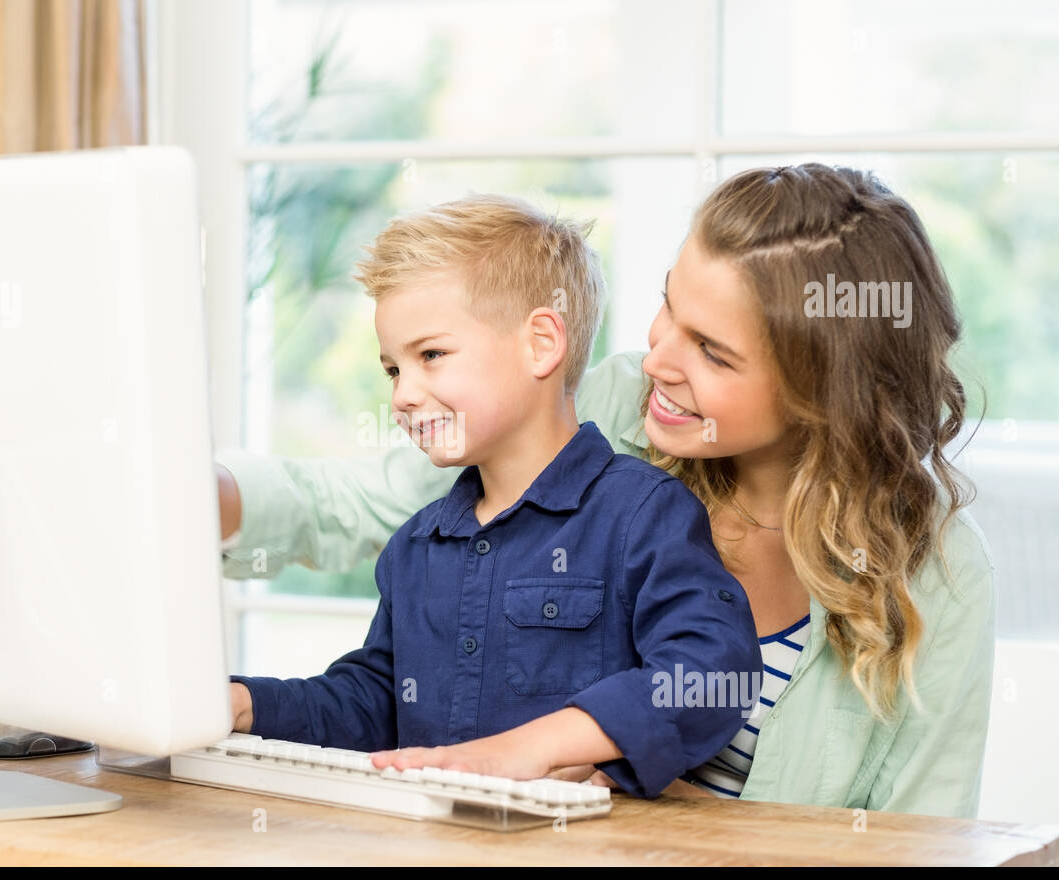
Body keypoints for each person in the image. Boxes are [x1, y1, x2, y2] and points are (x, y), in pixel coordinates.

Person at [218, 165, 997, 818]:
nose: (659, 357)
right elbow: (366, 519)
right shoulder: (604, 405)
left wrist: (598, 775)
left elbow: (932, 870)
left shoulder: (940, 576)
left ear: (824, 392)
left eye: (713, 353)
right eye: (668, 304)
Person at [227, 194, 762, 797]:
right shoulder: (416, 546)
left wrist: (529, 749)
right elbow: (374, 702)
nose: (403, 394)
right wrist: (245, 705)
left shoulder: (643, 514)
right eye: (393, 370)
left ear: (541, 344)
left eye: (431, 355)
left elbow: (713, 673)